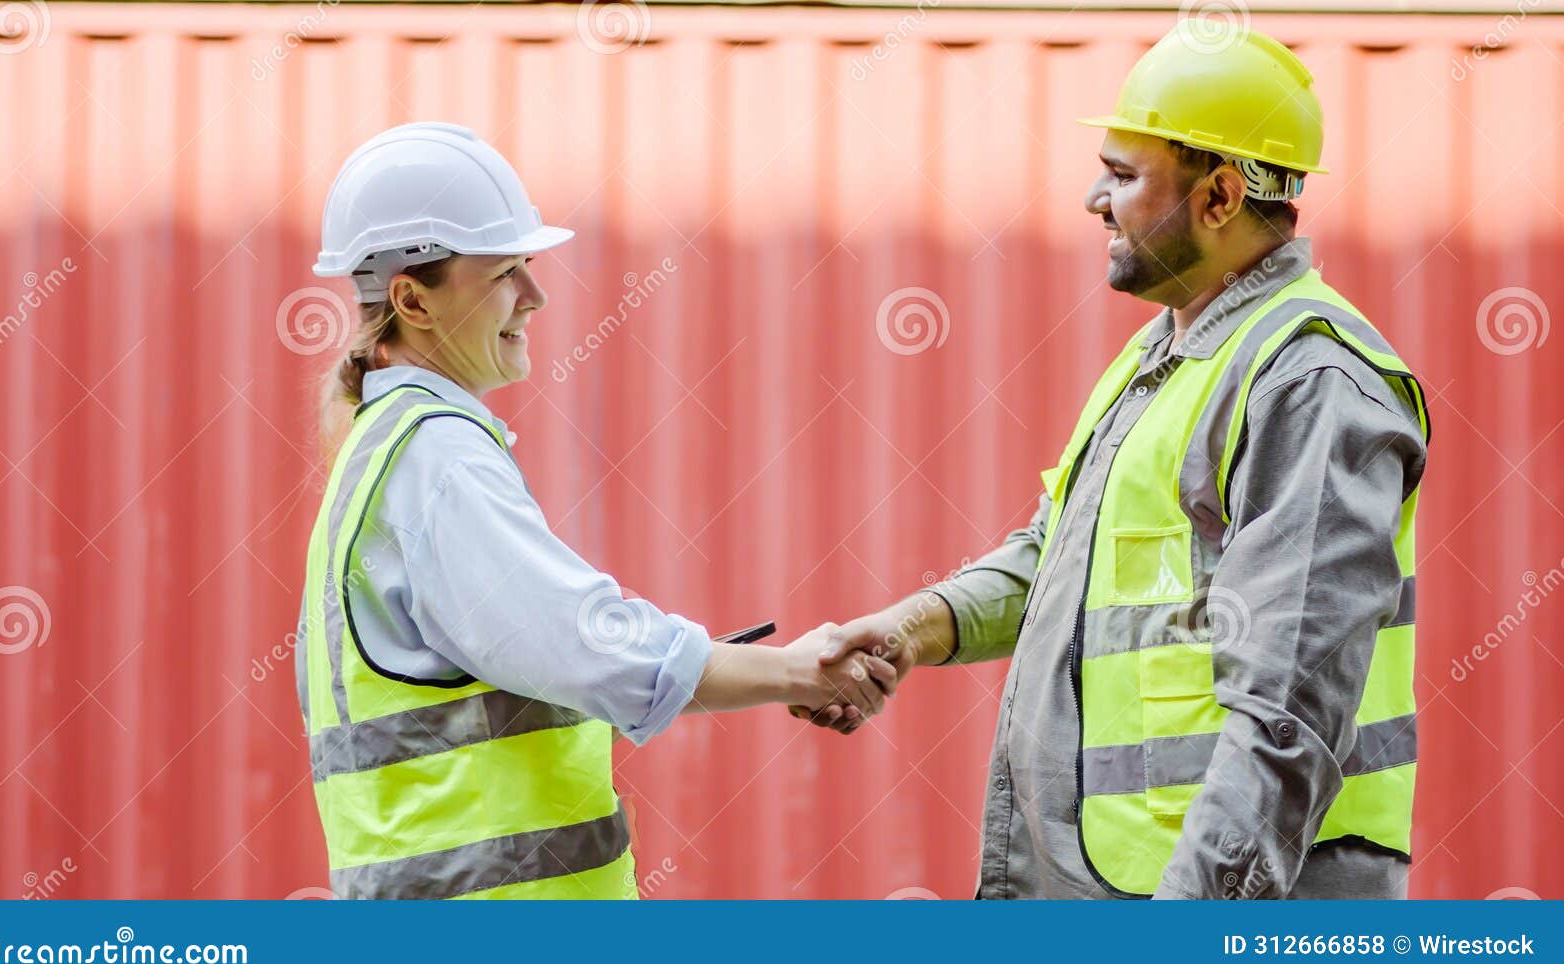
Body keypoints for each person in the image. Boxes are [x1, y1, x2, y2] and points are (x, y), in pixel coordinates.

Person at [801, 21, 1429, 899]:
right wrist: (911, 630)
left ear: (1218, 196)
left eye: (1124, 175)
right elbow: (1059, 560)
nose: (1094, 198)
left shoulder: (1309, 379)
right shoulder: (1165, 358)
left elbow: (1289, 706)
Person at [294, 122, 896, 900]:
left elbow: (537, 664)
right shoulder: (435, 456)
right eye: (506, 272)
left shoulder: (386, 447)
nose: (536, 296)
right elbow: (586, 643)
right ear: (413, 299)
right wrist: (797, 672)